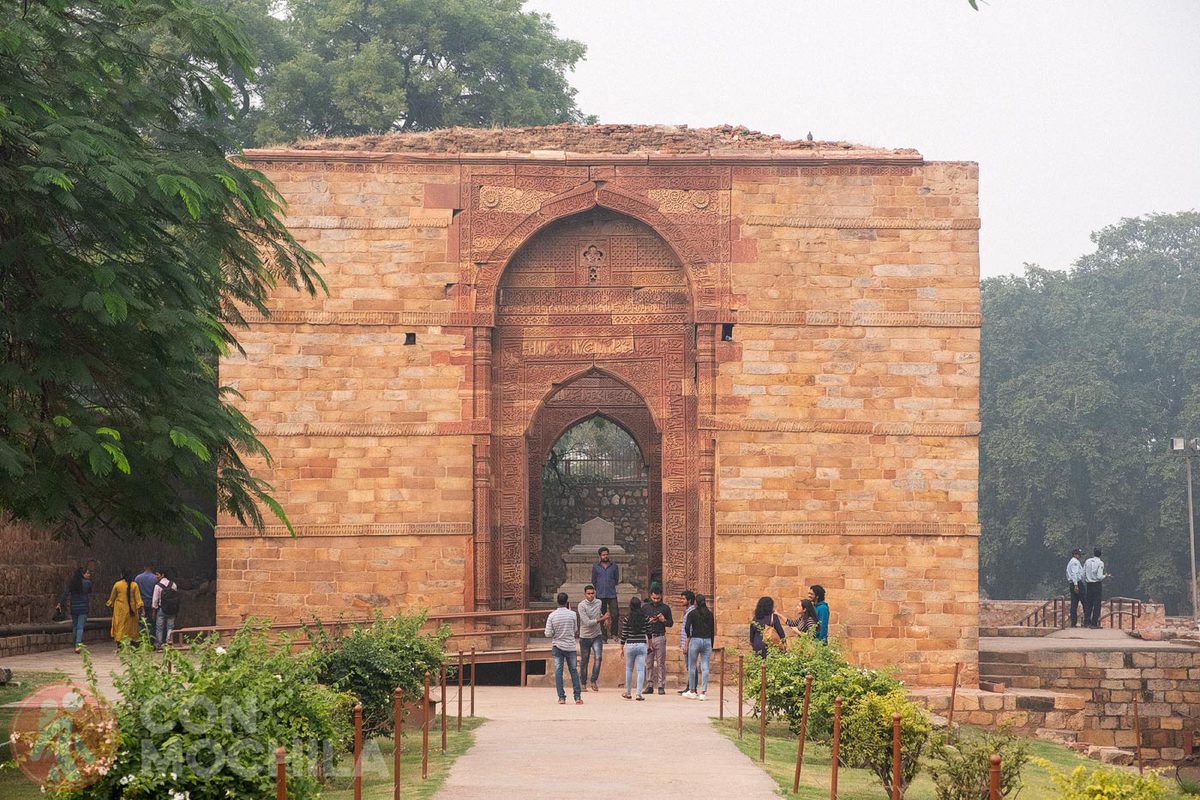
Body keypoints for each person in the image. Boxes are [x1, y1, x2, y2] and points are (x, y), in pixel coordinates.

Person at [545, 592, 582, 705]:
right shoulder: (572, 614)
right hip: (570, 646)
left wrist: (555, 632)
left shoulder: (552, 615)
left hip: (557, 646)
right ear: (567, 602)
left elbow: (548, 633)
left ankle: (561, 697)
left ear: (557, 601)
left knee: (558, 672)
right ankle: (577, 697)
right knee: (573, 671)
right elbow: (575, 629)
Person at [642, 584, 673, 695]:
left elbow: (670, 623)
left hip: (660, 636)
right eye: (654, 598)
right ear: (650, 596)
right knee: (648, 662)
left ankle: (661, 685)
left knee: (661, 663)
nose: (656, 600)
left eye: (658, 598)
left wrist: (663, 620)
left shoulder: (665, 608)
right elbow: (641, 622)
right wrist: (648, 621)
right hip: (649, 637)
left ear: (661, 597)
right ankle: (649, 684)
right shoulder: (645, 607)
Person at [682, 594, 715, 700]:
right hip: (707, 640)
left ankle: (692, 690)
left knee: (692, 666)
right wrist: (711, 644)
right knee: (705, 667)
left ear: (695, 602)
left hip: (695, 639)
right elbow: (712, 630)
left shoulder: (692, 613)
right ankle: (703, 692)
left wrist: (688, 636)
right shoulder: (710, 614)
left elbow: (687, 627)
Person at [56, 566, 93, 653]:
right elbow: (89, 591)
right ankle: (78, 645)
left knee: (75, 626)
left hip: (74, 607)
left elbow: (65, 594)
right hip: (83, 608)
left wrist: (59, 603)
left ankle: (75, 643)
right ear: (82, 574)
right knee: (80, 627)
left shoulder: (71, 583)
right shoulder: (87, 583)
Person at [577, 584, 606, 693]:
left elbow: (599, 613)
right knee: (585, 661)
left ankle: (593, 680)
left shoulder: (599, 602)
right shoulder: (581, 606)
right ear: (584, 594)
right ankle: (583, 683)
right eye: (588, 594)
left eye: (592, 593)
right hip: (585, 636)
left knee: (598, 658)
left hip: (597, 635)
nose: (591, 596)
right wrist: (602, 618)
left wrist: (604, 618)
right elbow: (587, 622)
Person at [619, 596, 649, 700]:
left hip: (630, 645)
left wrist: (622, 646)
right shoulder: (645, 618)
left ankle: (628, 692)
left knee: (629, 669)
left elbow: (624, 634)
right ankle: (638, 693)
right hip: (641, 644)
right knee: (640, 670)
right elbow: (649, 633)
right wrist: (650, 644)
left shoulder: (627, 618)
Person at [106, 568, 143, 643]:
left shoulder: (117, 584)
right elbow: (138, 600)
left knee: (120, 626)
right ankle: (132, 642)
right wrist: (141, 609)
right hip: (132, 611)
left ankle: (120, 643)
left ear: (122, 575)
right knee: (132, 627)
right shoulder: (134, 585)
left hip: (119, 611)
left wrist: (110, 605)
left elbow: (111, 599)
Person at [590, 547, 620, 640]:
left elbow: (616, 579)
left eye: (607, 554)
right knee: (601, 615)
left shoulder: (614, 566)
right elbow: (594, 580)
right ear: (600, 556)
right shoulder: (596, 567)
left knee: (615, 614)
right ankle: (603, 636)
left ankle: (614, 633)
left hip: (611, 594)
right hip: (600, 594)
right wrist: (599, 588)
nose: (605, 556)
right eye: (603, 555)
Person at [152, 567, 180, 649]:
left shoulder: (158, 586)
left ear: (162, 575)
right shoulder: (173, 584)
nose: (156, 576)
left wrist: (154, 611)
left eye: (157, 574)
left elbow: (155, 600)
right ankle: (169, 643)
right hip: (172, 609)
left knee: (159, 627)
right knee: (170, 627)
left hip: (162, 609)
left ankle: (159, 644)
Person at [1083, 548, 1109, 628]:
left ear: (1094, 553)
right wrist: (1105, 576)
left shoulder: (1087, 561)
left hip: (1088, 584)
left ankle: (1086, 622)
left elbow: (1083, 573)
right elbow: (1099, 576)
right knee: (1097, 604)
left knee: (1088, 604)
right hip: (1096, 584)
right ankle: (1094, 623)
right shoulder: (1100, 563)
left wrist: (1086, 580)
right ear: (1100, 554)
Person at [677, 590, 696, 694]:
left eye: (683, 599)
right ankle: (690, 686)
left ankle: (691, 687)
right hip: (687, 642)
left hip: (689, 643)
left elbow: (690, 630)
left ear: (689, 600)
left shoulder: (691, 612)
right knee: (690, 666)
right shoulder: (688, 611)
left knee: (691, 666)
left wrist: (686, 644)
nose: (681, 601)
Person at [134, 563, 158, 638]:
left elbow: (136, 591)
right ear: (152, 567)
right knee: (152, 623)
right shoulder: (155, 578)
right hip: (151, 603)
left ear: (144, 567)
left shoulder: (138, 578)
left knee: (141, 622)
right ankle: (151, 640)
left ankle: (142, 639)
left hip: (141, 603)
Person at [1066, 548, 1085, 627]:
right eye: (1079, 554)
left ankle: (1073, 623)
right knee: (1085, 602)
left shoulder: (1072, 561)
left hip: (1072, 583)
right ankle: (1086, 621)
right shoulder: (1075, 562)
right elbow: (1074, 573)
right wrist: (1076, 585)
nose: (1080, 556)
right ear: (1075, 554)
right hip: (1077, 583)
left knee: (1074, 603)